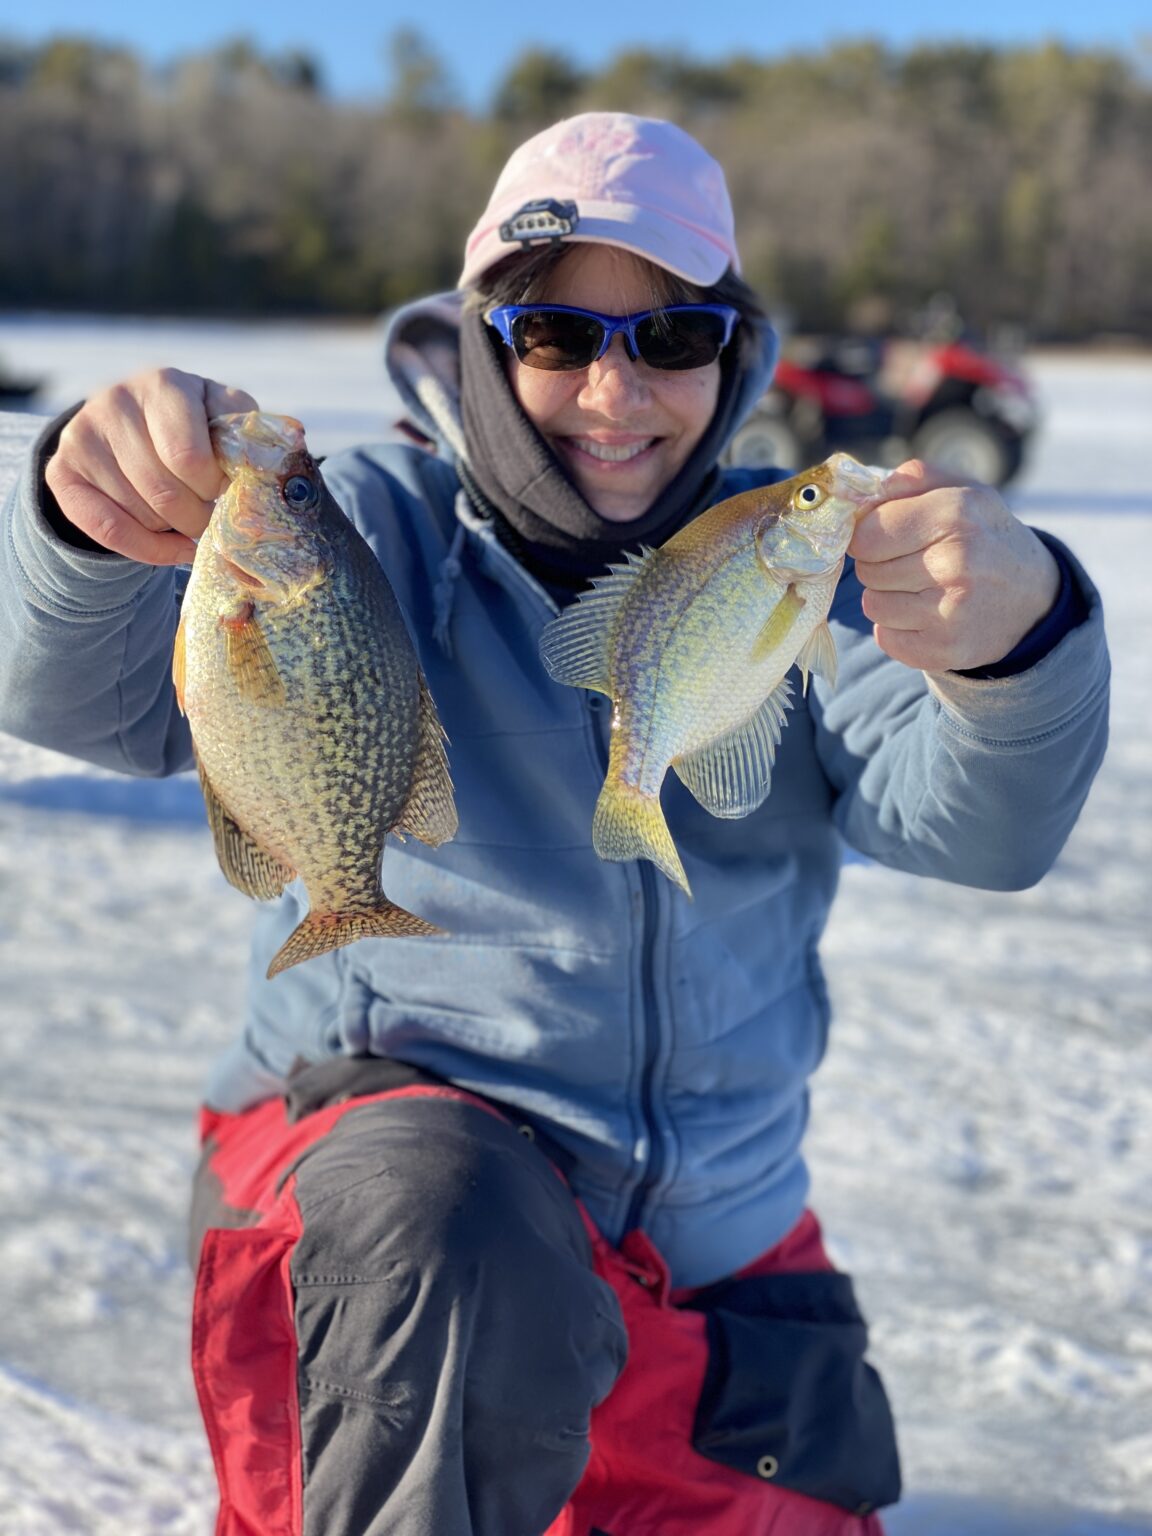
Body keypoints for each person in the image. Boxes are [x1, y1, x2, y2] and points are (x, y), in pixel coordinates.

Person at [0, 113, 1109, 1536]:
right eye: (553, 333)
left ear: (737, 350)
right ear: (479, 337)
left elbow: (982, 829)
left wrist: (1019, 643)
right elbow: (91, 698)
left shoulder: (799, 558)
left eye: (672, 336)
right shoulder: (358, 530)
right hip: (391, 1237)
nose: (613, 389)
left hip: (716, 1262)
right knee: (446, 1218)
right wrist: (82, 523)